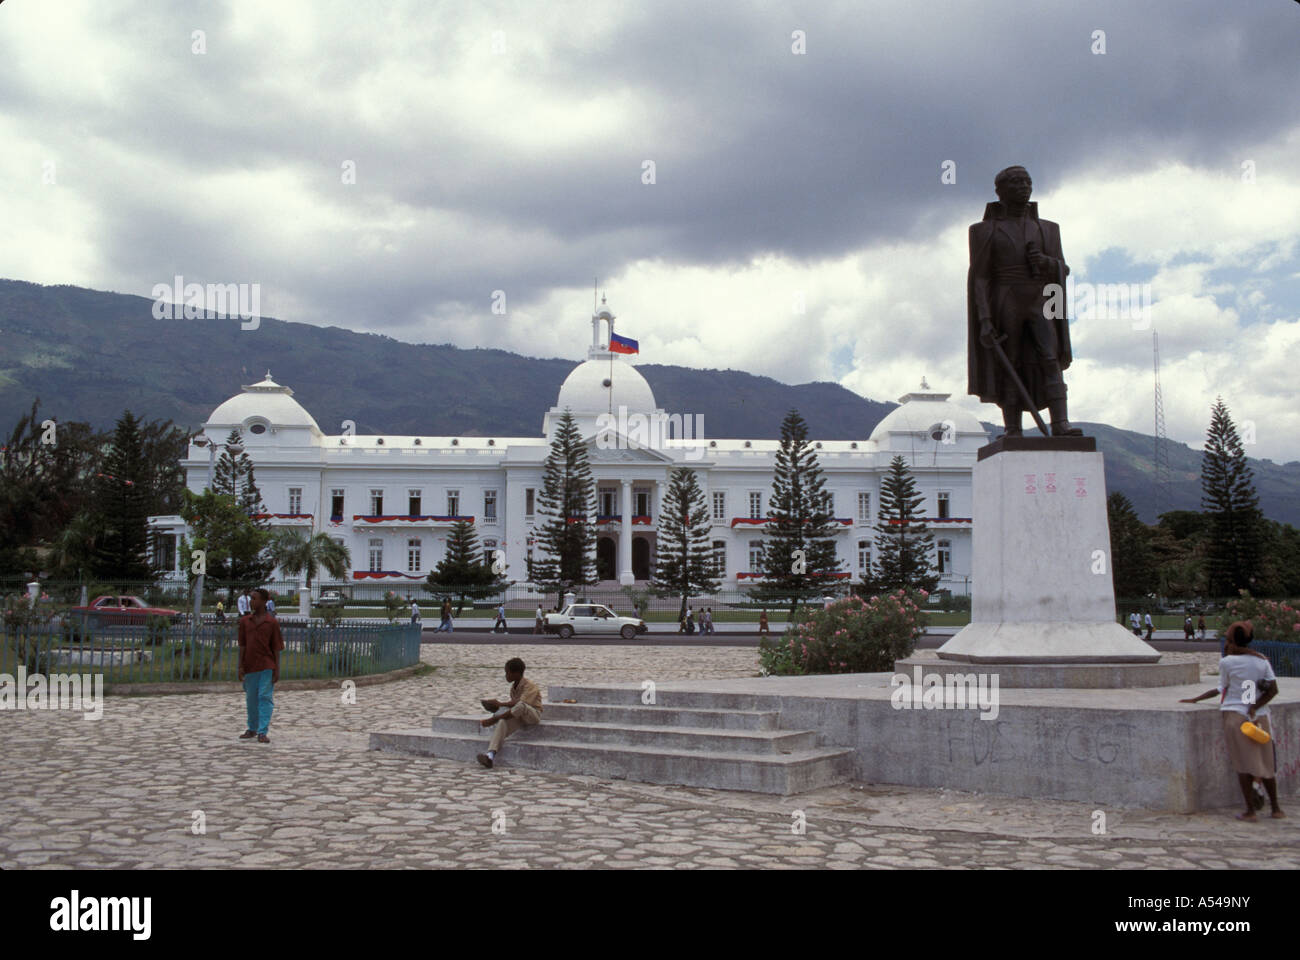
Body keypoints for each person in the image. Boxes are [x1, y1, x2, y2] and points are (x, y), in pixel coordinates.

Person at [967, 165, 1082, 438]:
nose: (1023, 187)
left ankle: (1060, 423)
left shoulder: (1048, 229)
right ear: (1000, 191)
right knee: (1010, 362)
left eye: (1027, 182)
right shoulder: (984, 230)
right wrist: (985, 319)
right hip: (1006, 299)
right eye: (1016, 183)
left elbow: (1063, 269)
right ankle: (1012, 428)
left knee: (1051, 358)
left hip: (1041, 298)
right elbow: (980, 277)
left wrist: (1046, 263)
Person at [1179, 621, 1285, 821]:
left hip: (1236, 716)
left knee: (1242, 763)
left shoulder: (1227, 662)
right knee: (1266, 762)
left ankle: (1250, 811)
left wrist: (1196, 699)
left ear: (1232, 641)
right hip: (1260, 716)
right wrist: (1254, 706)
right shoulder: (1261, 661)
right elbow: (1271, 689)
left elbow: (1222, 688)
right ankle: (1276, 809)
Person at [237, 588, 284, 744]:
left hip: (266, 665)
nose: (251, 601)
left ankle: (262, 731)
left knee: (264, 697)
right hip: (250, 665)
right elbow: (242, 645)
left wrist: (277, 669)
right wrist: (240, 666)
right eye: (251, 598)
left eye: (255, 599)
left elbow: (276, 647)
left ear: (264, 601)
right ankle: (252, 728)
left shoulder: (271, 623)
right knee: (251, 699)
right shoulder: (245, 622)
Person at [477, 657, 542, 768]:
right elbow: (512, 707)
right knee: (503, 721)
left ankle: (495, 719)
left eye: (507, 672)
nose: (506, 675)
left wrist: (500, 704)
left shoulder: (530, 686)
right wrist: (495, 707)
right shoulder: (513, 688)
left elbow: (520, 704)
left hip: (532, 715)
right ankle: (490, 755)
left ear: (516, 673)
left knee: (521, 705)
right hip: (519, 716)